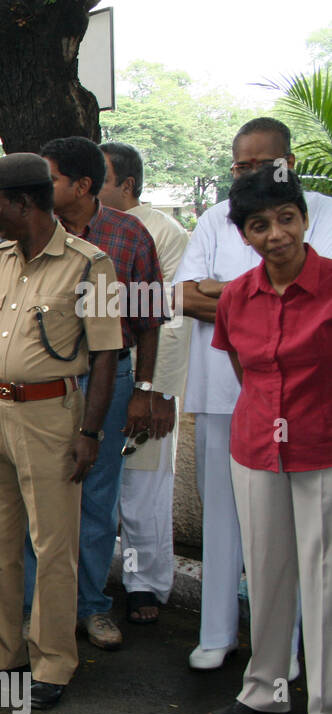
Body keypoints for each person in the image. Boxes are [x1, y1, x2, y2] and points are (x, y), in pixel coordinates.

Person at [0, 153, 124, 711]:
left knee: (53, 546)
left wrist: (90, 433)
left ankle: (52, 659)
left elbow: (104, 356)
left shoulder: (90, 265)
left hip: (53, 417)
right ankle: (3, 648)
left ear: (25, 203)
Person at [173, 117, 332, 670]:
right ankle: (218, 634)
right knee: (226, 521)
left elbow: (314, 291)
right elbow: (187, 297)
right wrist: (256, 302)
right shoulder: (219, 217)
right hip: (229, 395)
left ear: (286, 163)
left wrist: (238, 296)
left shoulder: (321, 209)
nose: (246, 174)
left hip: (309, 403)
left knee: (299, 543)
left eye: (259, 165)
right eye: (239, 165)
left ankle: (289, 654)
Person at [204, 168, 332, 714]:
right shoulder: (237, 296)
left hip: (323, 452)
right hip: (255, 449)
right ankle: (266, 692)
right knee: (268, 575)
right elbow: (242, 367)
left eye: (286, 218)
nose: (276, 233)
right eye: (260, 225)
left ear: (304, 219)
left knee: (324, 583)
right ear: (245, 236)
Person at [24, 136, 166, 652]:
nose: (41, 190)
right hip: (44, 382)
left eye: (51, 179)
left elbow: (148, 323)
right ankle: (33, 609)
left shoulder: (129, 235)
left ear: (81, 186)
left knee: (97, 500)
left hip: (113, 379)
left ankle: (91, 608)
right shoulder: (32, 235)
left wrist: (144, 391)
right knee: (37, 497)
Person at [98, 142, 190, 626]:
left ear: (127, 185)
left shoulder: (164, 231)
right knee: (98, 488)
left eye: (104, 177)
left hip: (145, 380)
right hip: (99, 380)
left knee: (143, 489)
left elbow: (172, 317)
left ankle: (144, 584)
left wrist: (155, 391)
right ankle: (96, 585)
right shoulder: (84, 229)